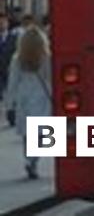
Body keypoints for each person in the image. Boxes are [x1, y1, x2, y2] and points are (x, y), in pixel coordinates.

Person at [4, 26, 51, 178]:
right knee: (43, 132)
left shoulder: (17, 59)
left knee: (27, 134)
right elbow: (50, 78)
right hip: (42, 97)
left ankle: (30, 159)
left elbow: (12, 83)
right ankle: (33, 159)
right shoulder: (46, 58)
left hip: (24, 98)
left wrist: (9, 105)